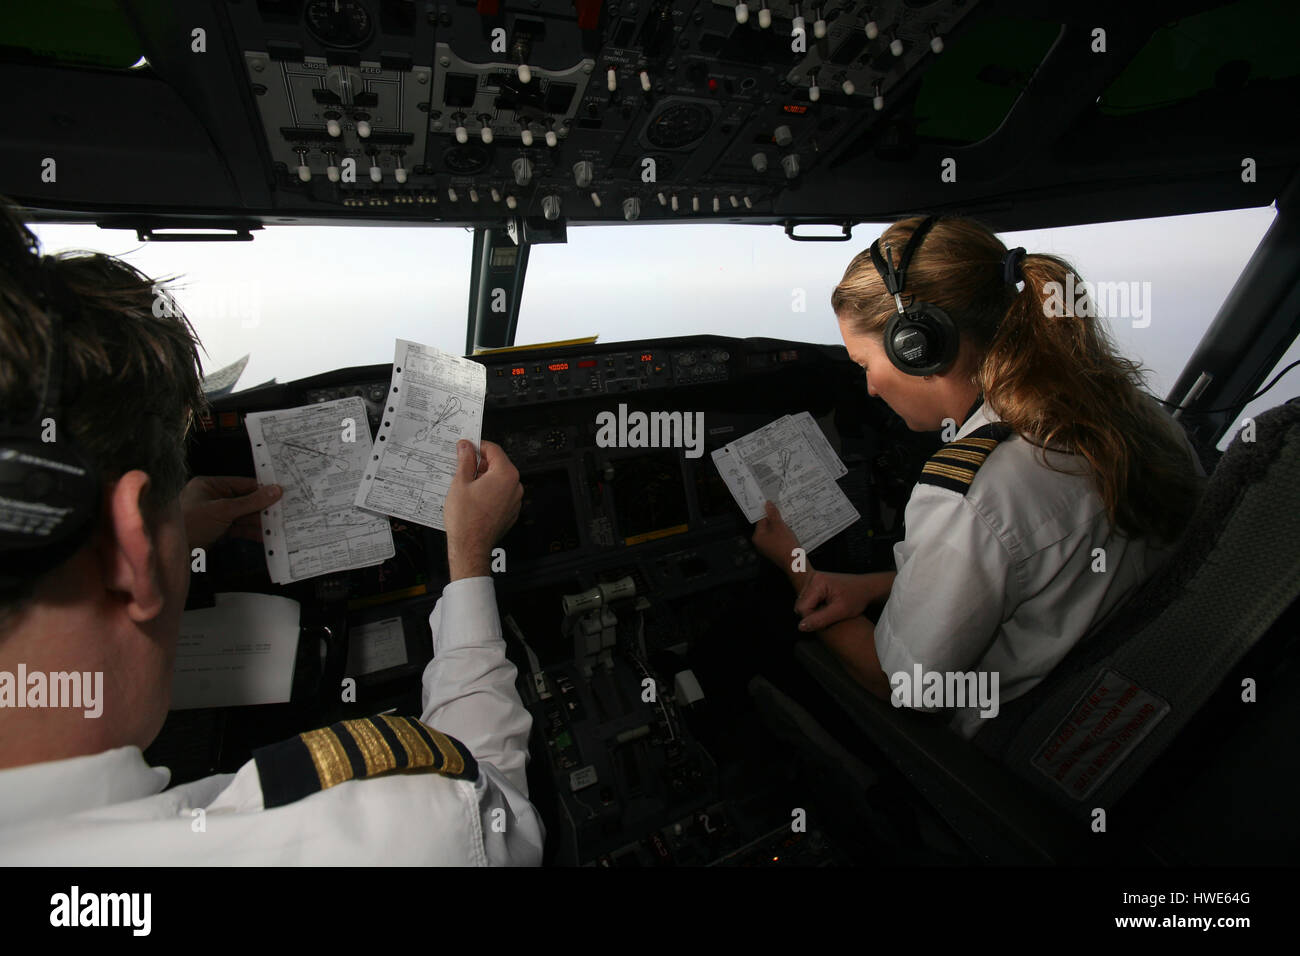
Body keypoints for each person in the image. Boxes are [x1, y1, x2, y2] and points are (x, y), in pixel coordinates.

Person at [0, 202, 541, 864]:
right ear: (127, 553)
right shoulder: (380, 835)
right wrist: (468, 561)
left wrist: (179, 529)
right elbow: (499, 815)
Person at [752, 215, 1203, 739]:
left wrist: (796, 567)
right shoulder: (1133, 411)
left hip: (1023, 742)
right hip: (1134, 696)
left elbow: (901, 688)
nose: (869, 389)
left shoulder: (968, 494)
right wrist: (875, 586)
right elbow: (1032, 569)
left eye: (865, 364)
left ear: (916, 347)